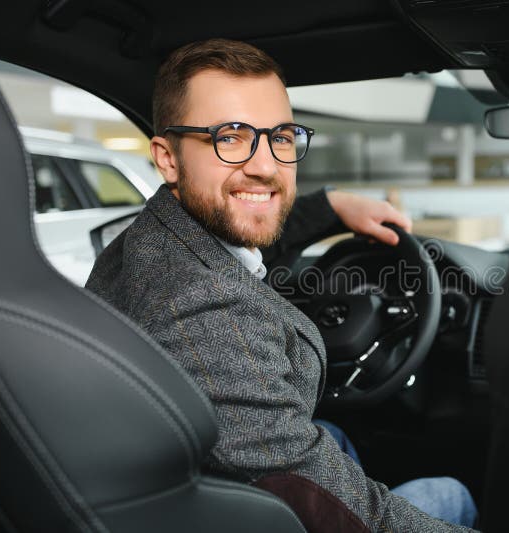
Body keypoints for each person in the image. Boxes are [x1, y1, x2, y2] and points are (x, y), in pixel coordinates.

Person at [85, 38, 478, 531]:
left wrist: (331, 206)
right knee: (450, 494)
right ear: (167, 158)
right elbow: (339, 513)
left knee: (331, 432)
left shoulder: (152, 239)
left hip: (188, 494)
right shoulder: (206, 314)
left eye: (282, 136)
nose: (267, 165)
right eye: (230, 137)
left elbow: (237, 231)